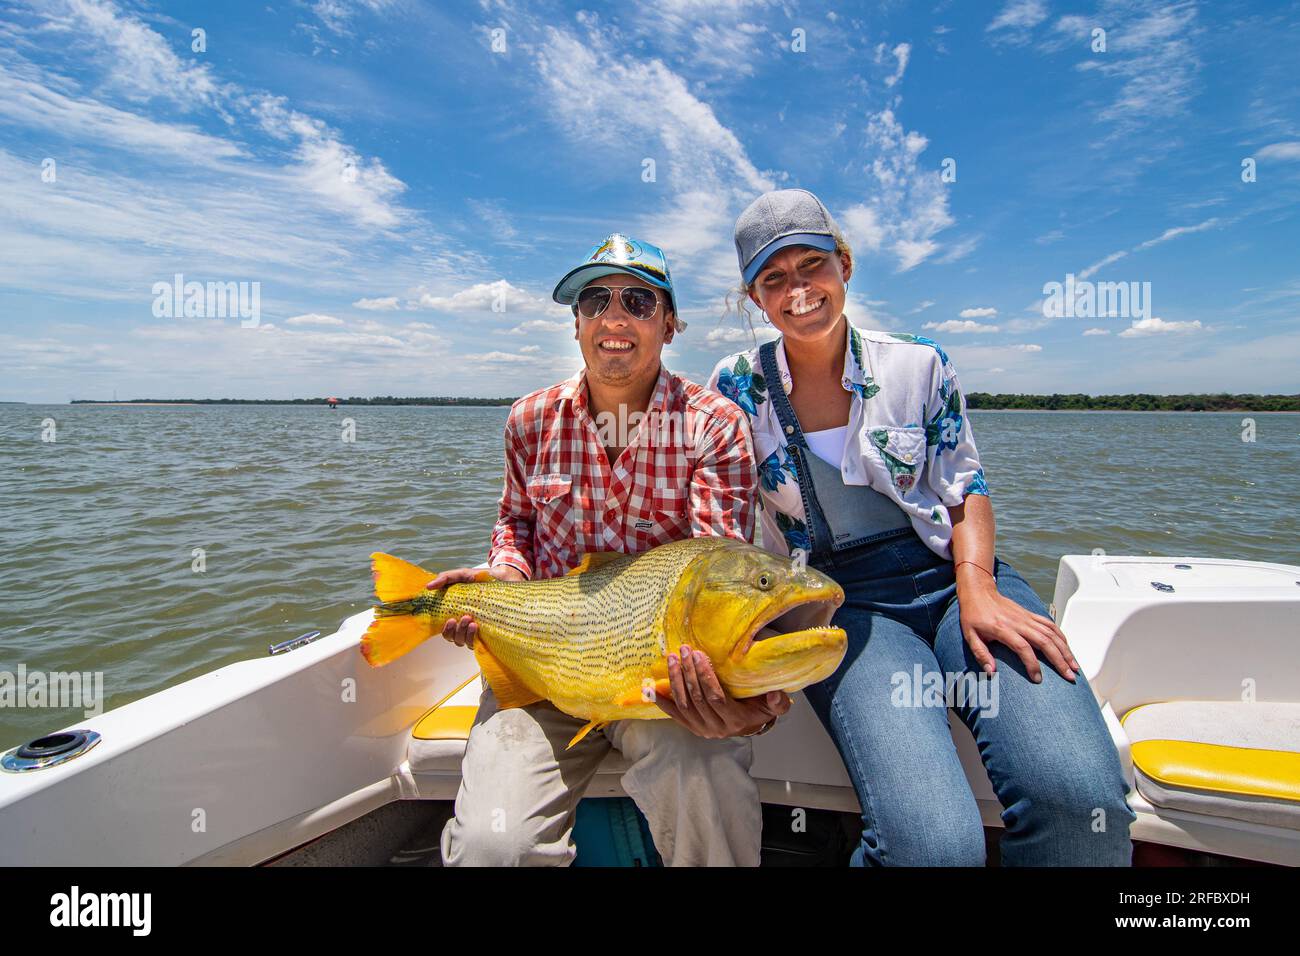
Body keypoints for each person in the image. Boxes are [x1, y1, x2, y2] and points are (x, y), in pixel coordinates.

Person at [708, 189, 1135, 866]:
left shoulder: (919, 364)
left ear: (843, 264)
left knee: (1081, 802)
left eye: (811, 265)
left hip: (955, 578)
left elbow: (965, 487)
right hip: (841, 604)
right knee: (931, 844)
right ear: (756, 298)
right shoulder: (735, 386)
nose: (798, 291)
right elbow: (723, 525)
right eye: (773, 279)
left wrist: (978, 588)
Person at [434, 234, 787, 867]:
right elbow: (515, 524)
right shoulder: (528, 420)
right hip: (542, 668)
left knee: (707, 789)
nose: (614, 317)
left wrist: (745, 698)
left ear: (670, 324)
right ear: (576, 325)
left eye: (639, 301)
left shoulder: (715, 424)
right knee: (493, 844)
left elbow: (719, 575)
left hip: (666, 683)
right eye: (594, 300)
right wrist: (501, 579)